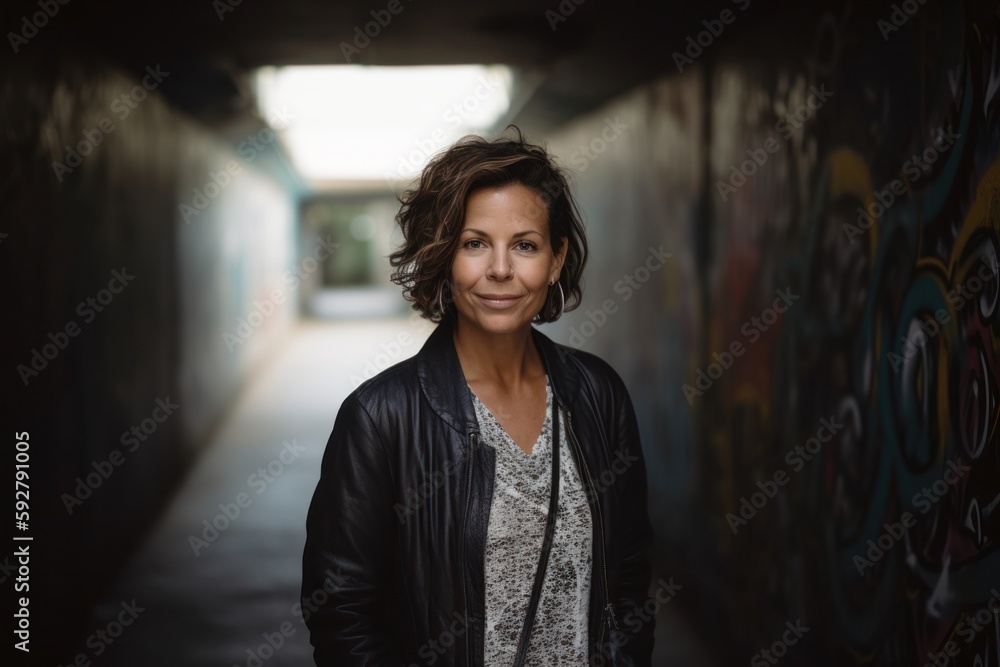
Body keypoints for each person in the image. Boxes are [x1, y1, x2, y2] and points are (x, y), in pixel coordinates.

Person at [300, 127, 655, 666]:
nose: (500, 270)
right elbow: (342, 612)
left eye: (526, 245)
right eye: (474, 243)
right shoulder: (380, 418)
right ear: (444, 256)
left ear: (556, 259)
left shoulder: (597, 395)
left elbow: (628, 576)